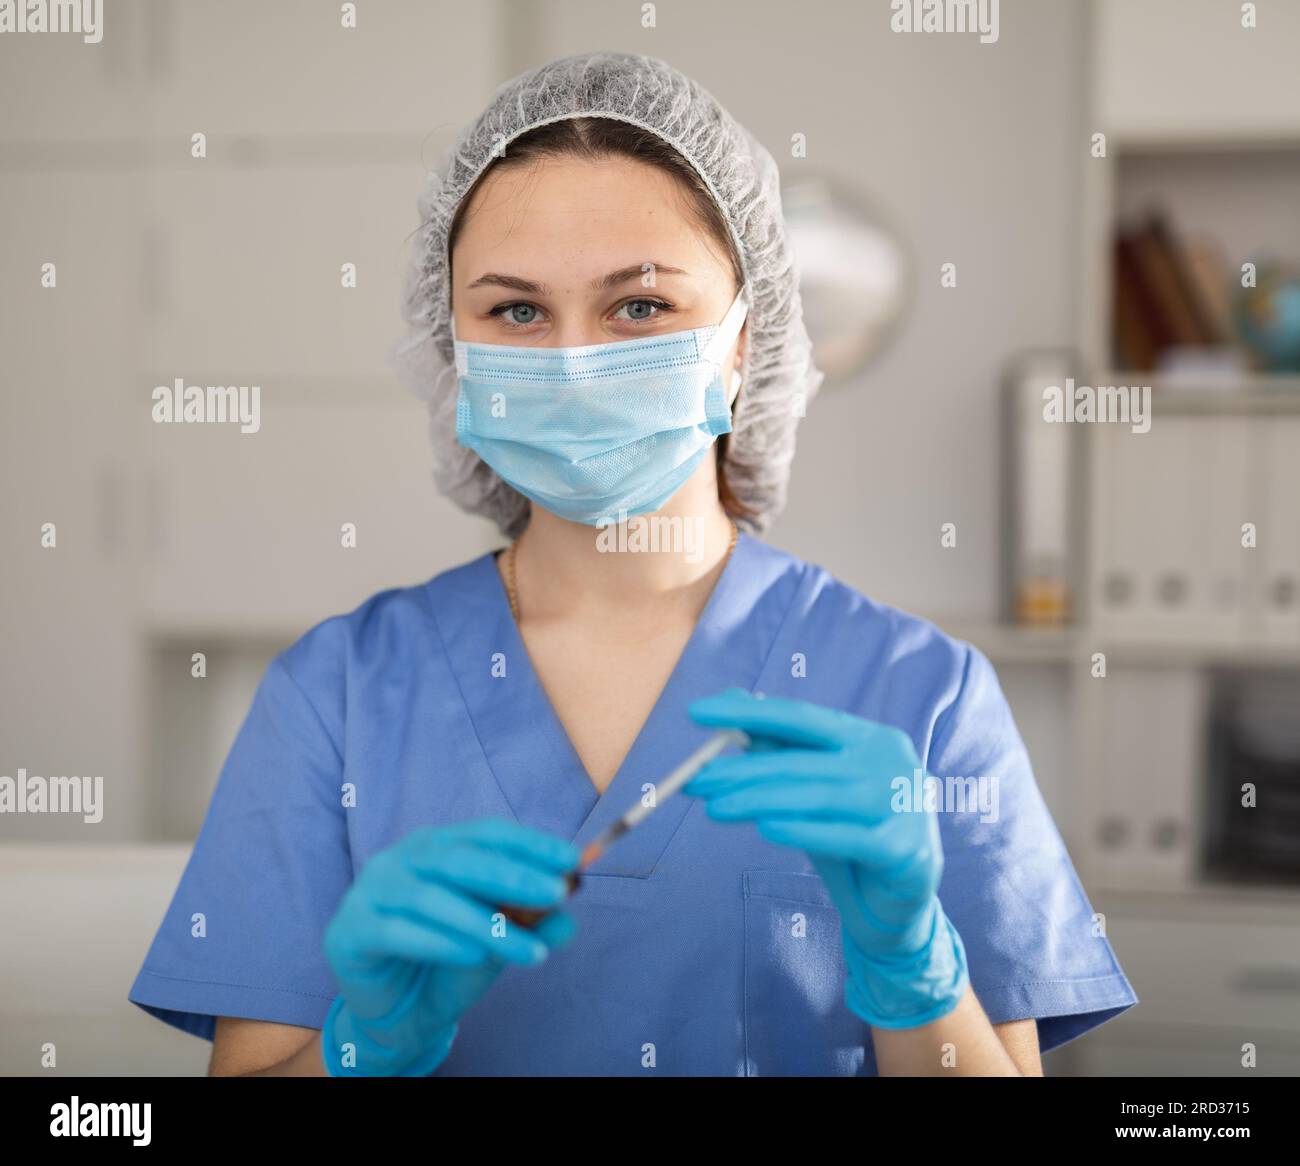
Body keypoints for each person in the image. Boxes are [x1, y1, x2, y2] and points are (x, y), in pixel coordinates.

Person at [128, 51, 1137, 1077]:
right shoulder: (334, 697)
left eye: (640, 306)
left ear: (747, 339)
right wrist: (368, 1043)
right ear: (452, 344)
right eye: (515, 310)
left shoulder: (920, 694)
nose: (572, 360)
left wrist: (911, 962)